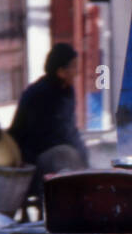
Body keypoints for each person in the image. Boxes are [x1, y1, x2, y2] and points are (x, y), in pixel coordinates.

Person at [9, 43, 90, 203]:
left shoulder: (67, 91)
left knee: (73, 154)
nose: (77, 72)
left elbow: (70, 129)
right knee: (64, 153)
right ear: (60, 72)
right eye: (74, 67)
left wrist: (85, 159)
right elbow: (39, 136)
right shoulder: (38, 94)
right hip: (34, 160)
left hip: (58, 156)